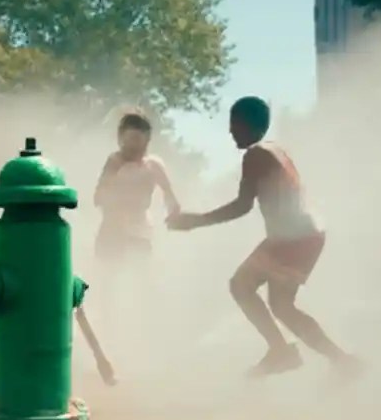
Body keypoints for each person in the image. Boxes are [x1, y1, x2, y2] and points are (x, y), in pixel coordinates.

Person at [167, 96, 361, 379]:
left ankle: (286, 352)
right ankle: (339, 361)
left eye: (234, 124)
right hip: (303, 234)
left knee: (243, 286)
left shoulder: (256, 154)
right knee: (279, 304)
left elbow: (243, 206)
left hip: (294, 237)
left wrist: (195, 221)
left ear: (246, 124)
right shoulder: (274, 150)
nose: (230, 131)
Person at [92, 110, 180, 347]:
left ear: (148, 141)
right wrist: (115, 204)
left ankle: (150, 337)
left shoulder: (153, 165)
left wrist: (174, 213)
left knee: (145, 284)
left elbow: (170, 195)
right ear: (121, 139)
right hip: (112, 230)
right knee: (108, 284)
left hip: (140, 231)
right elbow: (97, 196)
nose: (135, 148)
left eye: (140, 142)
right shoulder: (114, 162)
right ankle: (108, 336)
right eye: (130, 141)